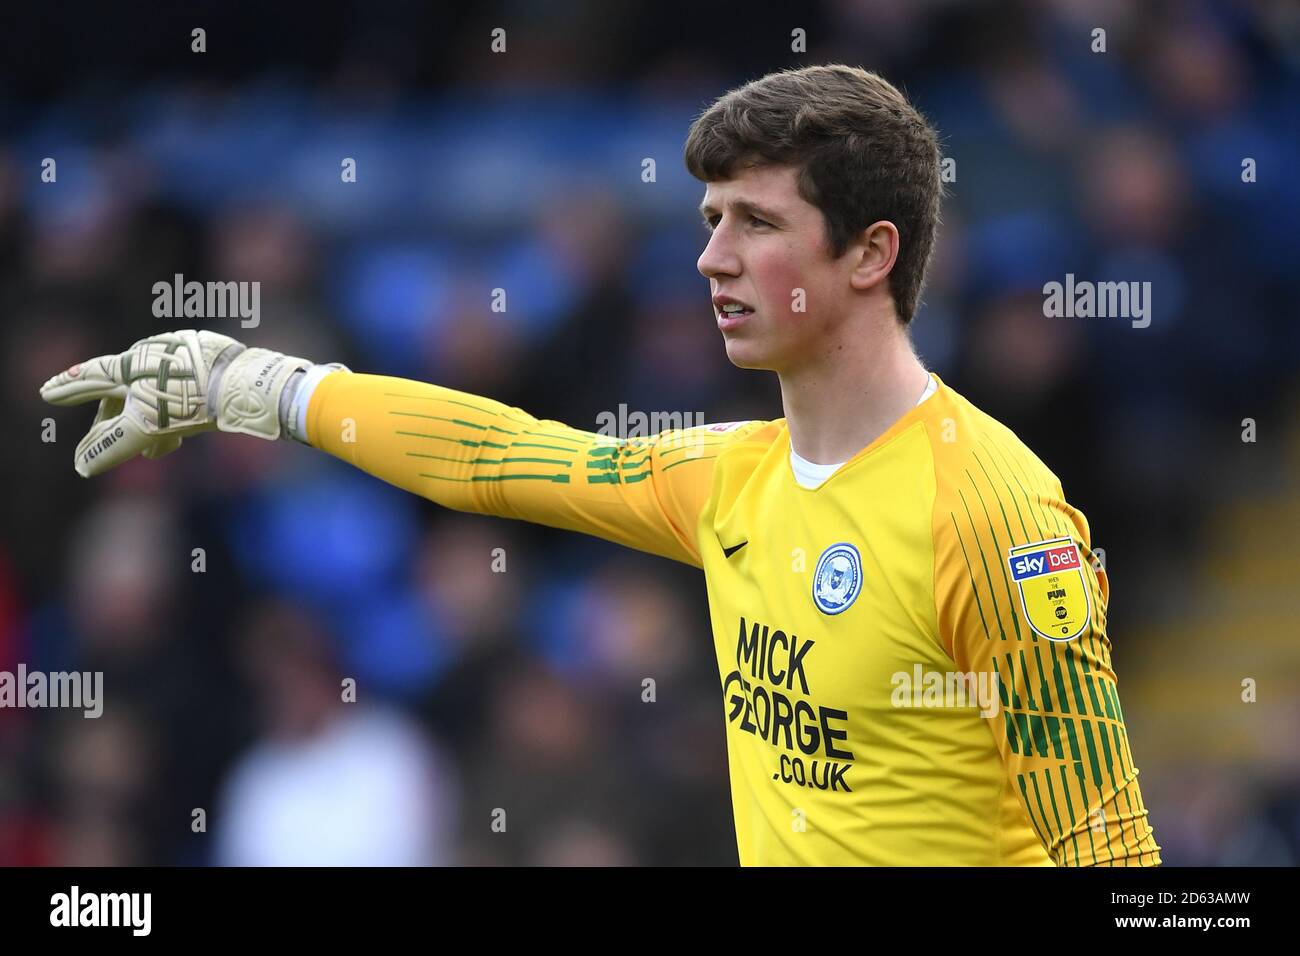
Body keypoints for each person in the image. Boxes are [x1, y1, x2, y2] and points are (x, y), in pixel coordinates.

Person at [41, 64, 1160, 866]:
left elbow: (1110, 849)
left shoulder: (993, 515)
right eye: (711, 219)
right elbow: (500, 458)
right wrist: (264, 385)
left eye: (756, 223)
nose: (711, 258)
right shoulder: (732, 477)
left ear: (871, 253)